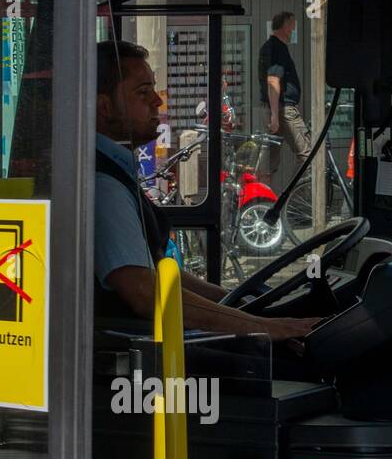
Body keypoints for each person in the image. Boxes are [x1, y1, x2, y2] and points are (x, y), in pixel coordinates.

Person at [95, 39, 321, 341]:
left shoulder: (110, 171)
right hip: (145, 358)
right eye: (143, 92)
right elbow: (145, 293)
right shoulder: (104, 188)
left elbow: (166, 277)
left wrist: (240, 302)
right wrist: (267, 328)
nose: (157, 102)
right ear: (104, 106)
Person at [258, 10, 313, 177]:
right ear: (284, 26)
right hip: (283, 109)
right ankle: (298, 198)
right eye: (291, 27)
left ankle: (262, 200)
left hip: (275, 108)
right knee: (307, 153)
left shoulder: (270, 46)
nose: (292, 31)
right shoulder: (277, 48)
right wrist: (275, 115)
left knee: (270, 160)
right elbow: (273, 81)